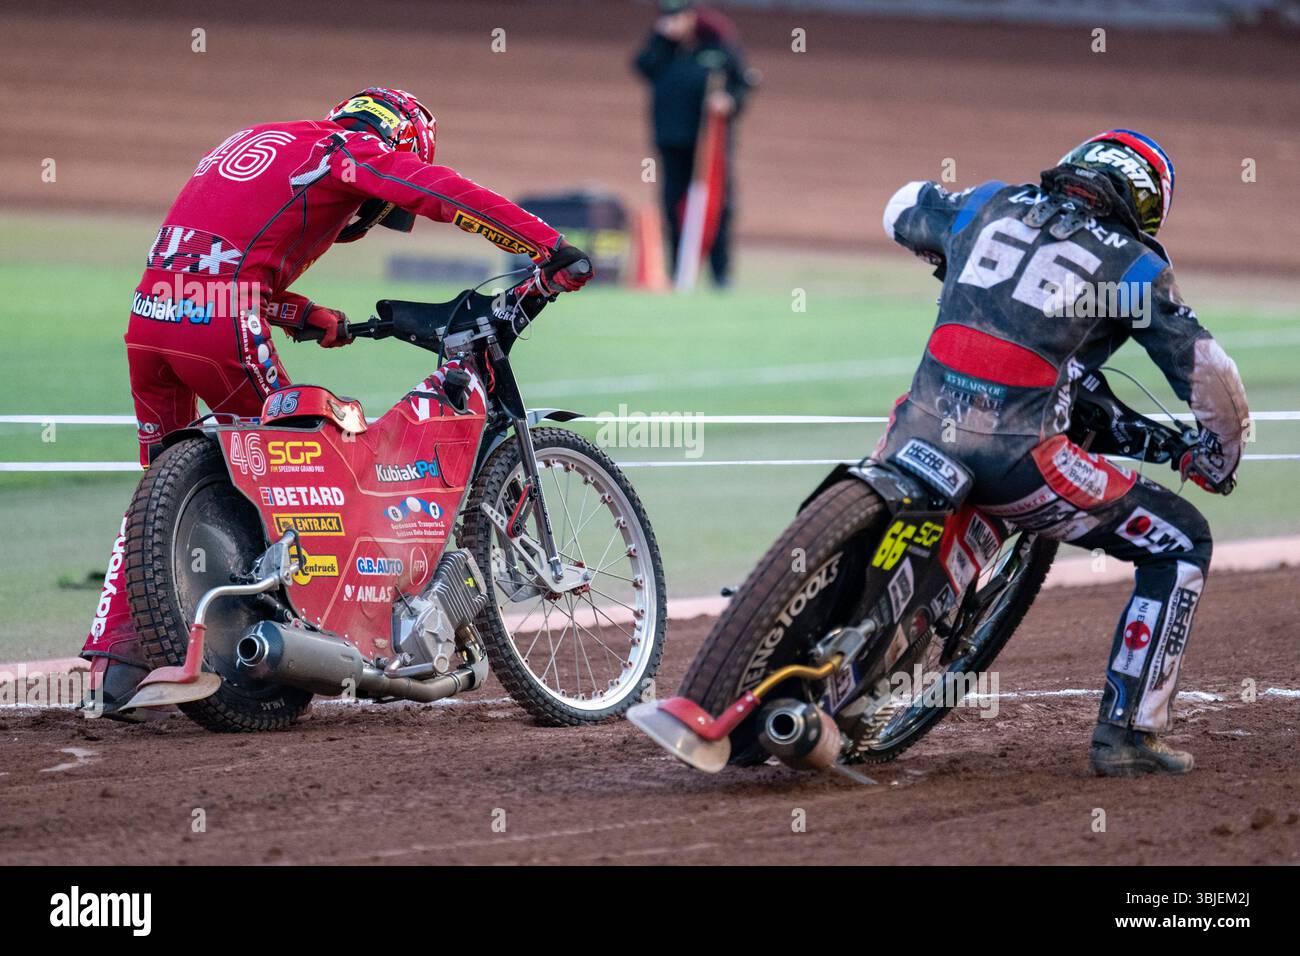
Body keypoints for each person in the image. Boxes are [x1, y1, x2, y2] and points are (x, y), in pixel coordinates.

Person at [81, 87, 593, 719]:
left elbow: (204, 262)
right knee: (287, 476)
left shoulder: (253, 139)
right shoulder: (349, 149)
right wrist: (547, 244)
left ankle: (118, 667)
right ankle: (296, 640)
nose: (372, 215)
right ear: (395, 138)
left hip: (151, 318)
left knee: (156, 496)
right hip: (222, 322)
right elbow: (438, 193)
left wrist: (301, 311)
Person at [878, 129, 1249, 776]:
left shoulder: (989, 203)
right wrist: (1217, 458)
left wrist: (948, 257)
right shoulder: (1134, 266)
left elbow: (901, 207)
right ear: (1145, 205)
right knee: (1183, 540)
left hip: (915, 424)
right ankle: (1129, 736)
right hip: (1022, 457)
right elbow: (1209, 372)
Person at [634, 0, 751, 286]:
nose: (674, 22)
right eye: (668, 17)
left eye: (680, 16)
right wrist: (661, 38)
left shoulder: (715, 46)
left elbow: (742, 82)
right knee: (673, 206)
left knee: (717, 206)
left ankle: (720, 274)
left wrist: (729, 102)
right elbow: (642, 67)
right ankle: (679, 271)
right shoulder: (662, 51)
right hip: (672, 142)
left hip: (709, 144)